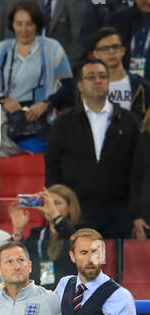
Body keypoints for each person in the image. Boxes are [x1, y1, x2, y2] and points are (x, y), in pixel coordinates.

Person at [45, 58, 141, 238]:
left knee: (117, 266)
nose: (98, 80)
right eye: (91, 77)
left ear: (108, 81)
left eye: (102, 76)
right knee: (77, 265)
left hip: (119, 212)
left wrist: (138, 212)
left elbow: (139, 170)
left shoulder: (129, 121)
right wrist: (56, 207)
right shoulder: (63, 123)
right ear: (80, 85)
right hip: (77, 212)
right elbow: (53, 166)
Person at [0, 1, 74, 154]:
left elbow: (68, 85)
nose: (24, 29)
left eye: (29, 24)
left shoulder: (52, 48)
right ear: (13, 25)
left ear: (37, 25)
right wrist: (3, 101)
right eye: (19, 24)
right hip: (3, 123)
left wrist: (46, 104)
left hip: (39, 124)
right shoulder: (1, 49)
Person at [8, 184, 85, 283]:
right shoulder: (38, 233)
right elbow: (19, 258)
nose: (51, 207)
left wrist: (55, 216)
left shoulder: (80, 230)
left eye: (57, 203)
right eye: (48, 203)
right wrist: (18, 230)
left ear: (70, 208)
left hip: (70, 288)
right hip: (42, 289)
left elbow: (73, 240)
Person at [92, 27, 148, 120]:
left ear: (122, 51)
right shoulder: (89, 87)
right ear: (96, 54)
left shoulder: (141, 86)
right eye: (105, 48)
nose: (111, 52)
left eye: (115, 47)